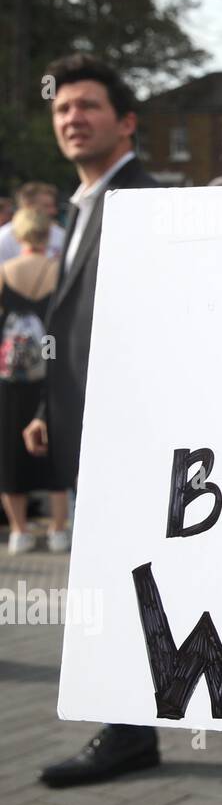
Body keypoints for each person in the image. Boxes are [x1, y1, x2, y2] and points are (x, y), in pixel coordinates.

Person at [31, 53, 162, 789]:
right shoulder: (79, 208)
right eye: (62, 110)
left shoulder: (143, 202)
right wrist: (51, 410)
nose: (73, 119)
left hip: (130, 445)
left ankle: (127, 731)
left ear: (127, 121)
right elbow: (82, 324)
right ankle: (131, 729)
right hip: (86, 434)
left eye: (88, 107)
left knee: (121, 587)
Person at [0, 207, 68, 553]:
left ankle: (19, 531)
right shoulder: (60, 272)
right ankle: (58, 530)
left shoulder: (5, 272)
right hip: (52, 362)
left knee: (10, 452)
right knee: (54, 450)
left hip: (13, 375)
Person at [0, 182, 64, 266]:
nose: (53, 211)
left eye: (53, 206)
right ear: (28, 207)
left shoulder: (61, 234)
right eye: (46, 206)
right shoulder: (4, 236)